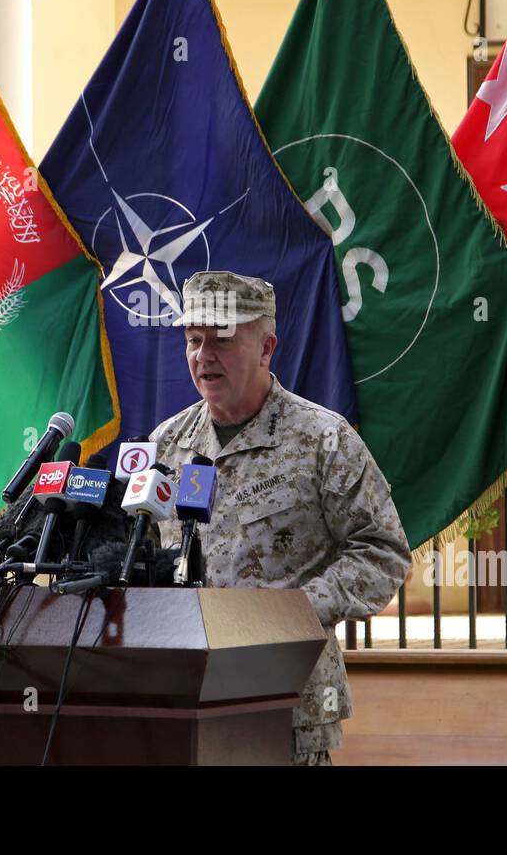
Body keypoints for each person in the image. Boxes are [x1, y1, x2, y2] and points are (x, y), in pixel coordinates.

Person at [149, 270, 411, 765]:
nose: (204, 356)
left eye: (222, 339)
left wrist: (295, 611)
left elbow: (384, 553)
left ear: (266, 347)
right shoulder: (167, 444)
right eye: (193, 339)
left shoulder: (322, 439)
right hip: (186, 703)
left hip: (287, 705)